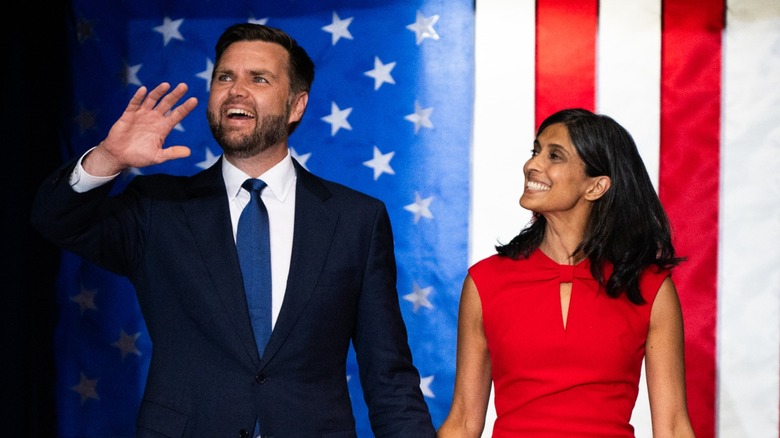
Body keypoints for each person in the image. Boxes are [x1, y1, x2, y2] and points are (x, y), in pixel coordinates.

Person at [31, 23, 435, 438]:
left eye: (258, 78)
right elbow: (55, 219)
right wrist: (107, 159)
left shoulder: (356, 220)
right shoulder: (158, 207)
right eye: (225, 77)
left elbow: (388, 375)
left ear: (296, 106)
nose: (236, 90)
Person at [437, 108, 696, 437]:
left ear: (596, 187)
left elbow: (673, 427)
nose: (532, 165)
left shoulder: (649, 288)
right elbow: (462, 422)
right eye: (536, 151)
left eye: (554, 156)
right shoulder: (485, 282)